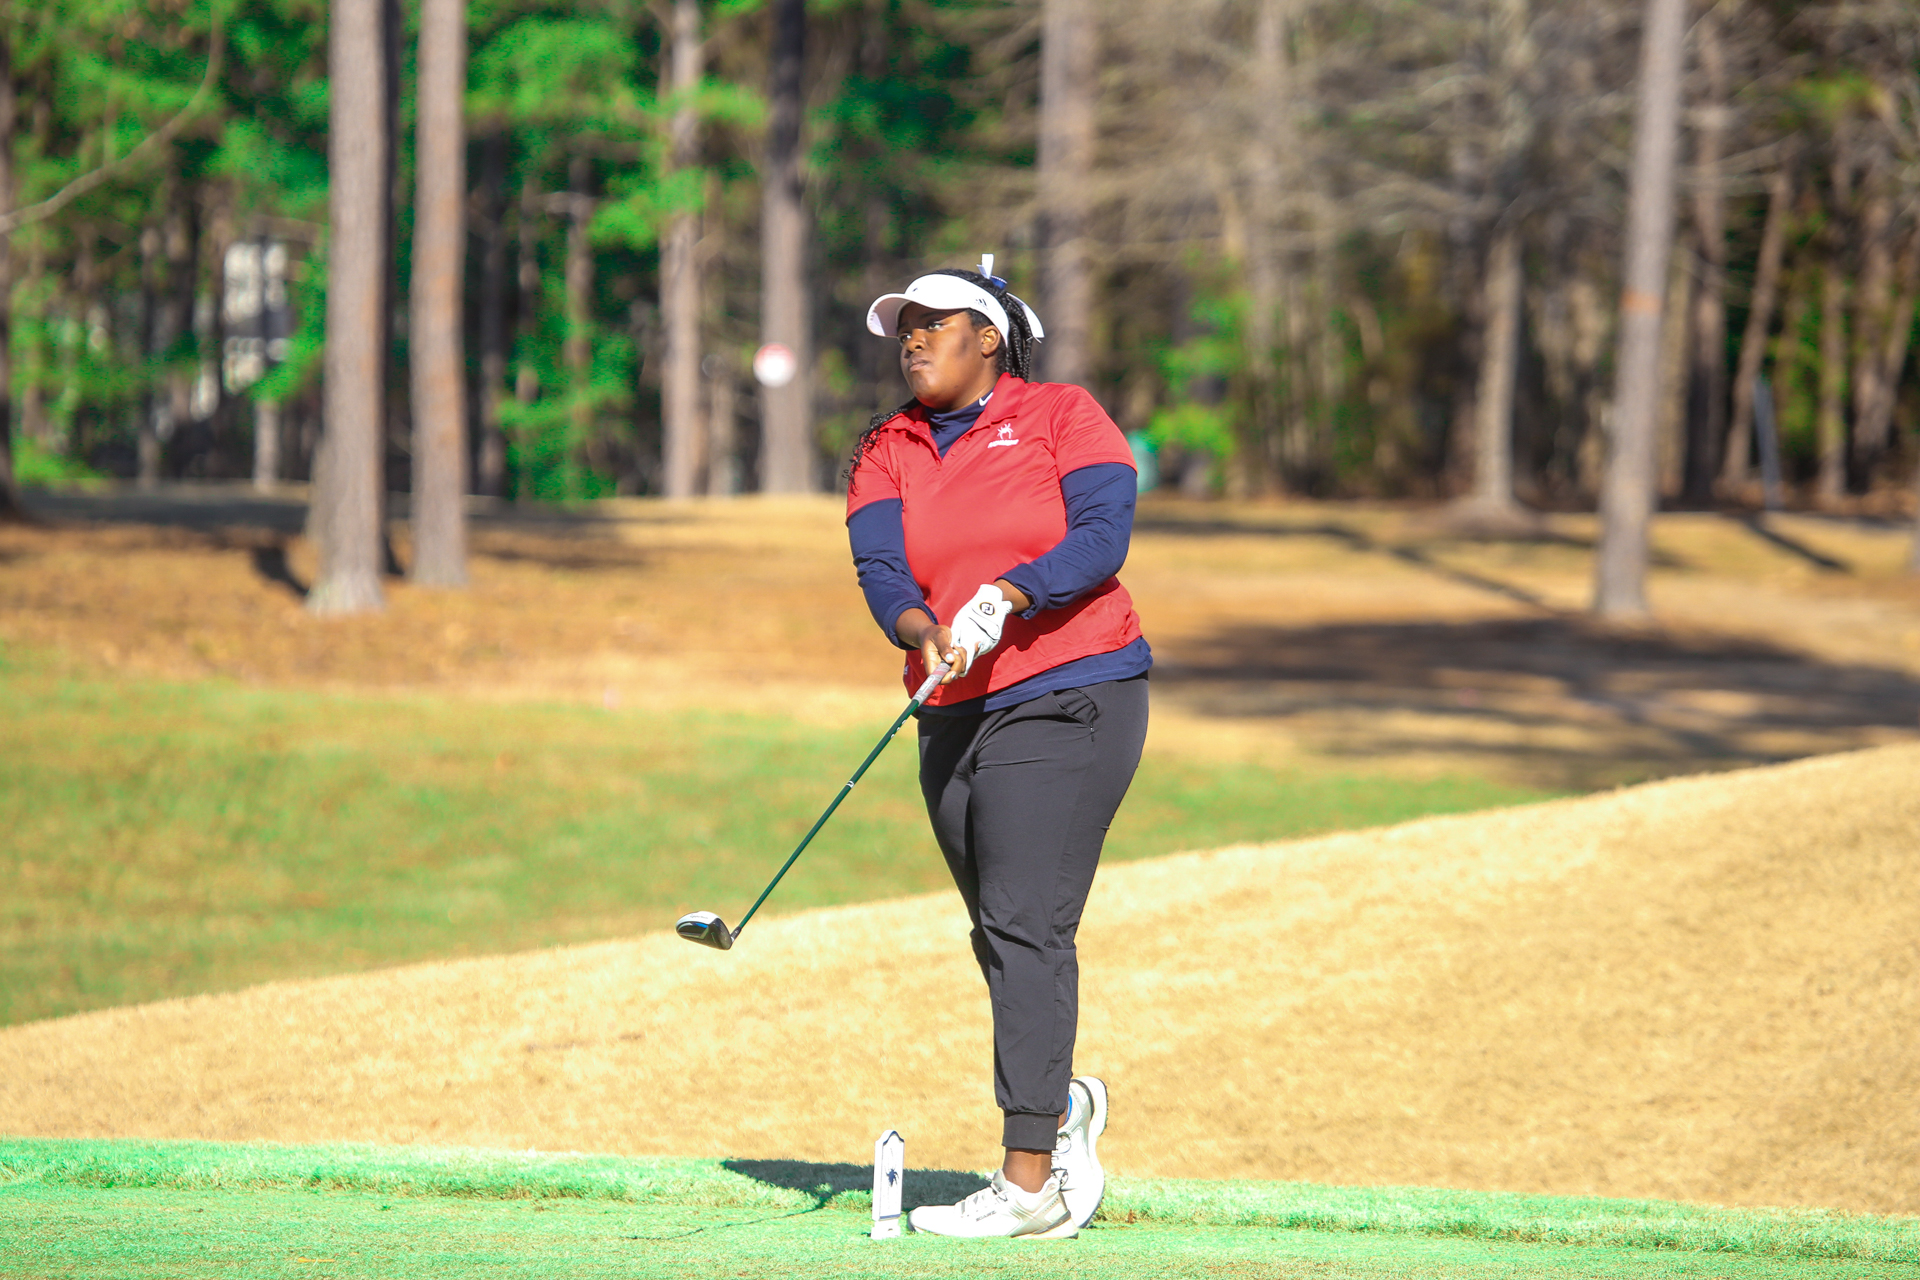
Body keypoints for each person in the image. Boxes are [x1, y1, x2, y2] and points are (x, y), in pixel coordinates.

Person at [845, 258, 1151, 1239]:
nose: (914, 338)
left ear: (990, 336)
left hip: (1073, 686)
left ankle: (1031, 1184)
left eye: (936, 323)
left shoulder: (1063, 414)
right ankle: (1057, 1109)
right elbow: (880, 562)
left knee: (1024, 922)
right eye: (906, 327)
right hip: (951, 702)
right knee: (998, 927)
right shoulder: (884, 445)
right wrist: (912, 623)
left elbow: (1104, 535)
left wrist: (1016, 589)